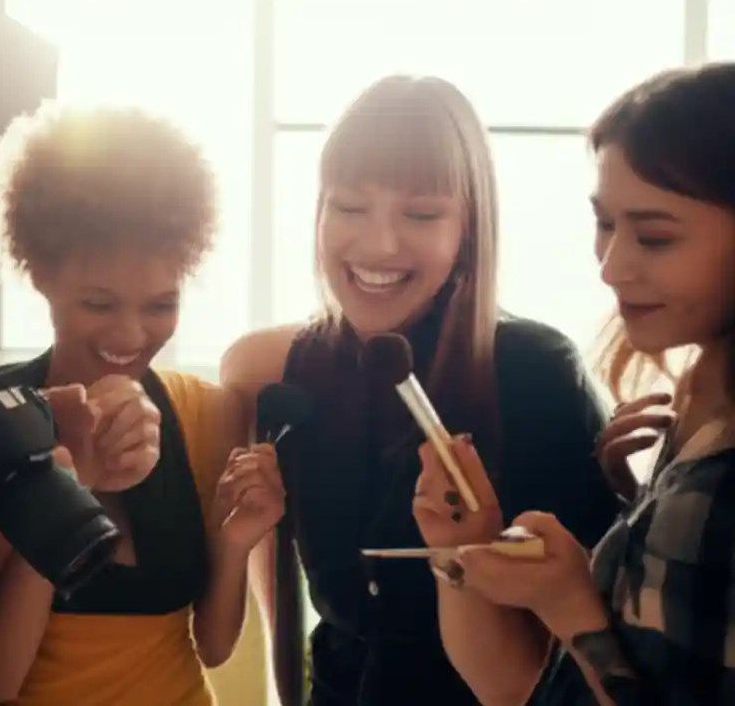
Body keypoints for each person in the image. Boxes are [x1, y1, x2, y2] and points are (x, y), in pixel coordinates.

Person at [220, 75, 622, 704]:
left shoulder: (536, 373)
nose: (378, 244)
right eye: (349, 207)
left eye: (421, 214)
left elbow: (575, 655)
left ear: (470, 227)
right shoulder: (284, 371)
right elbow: (284, 589)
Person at [415, 62, 735, 705]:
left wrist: (568, 601)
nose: (612, 268)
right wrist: (637, 513)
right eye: (606, 225)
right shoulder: (699, 408)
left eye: (655, 236)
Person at [0, 101, 281, 705]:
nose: (131, 337)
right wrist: (64, 489)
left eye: (160, 306)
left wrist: (237, 544)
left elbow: (212, 645)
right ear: (39, 273)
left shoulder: (206, 415)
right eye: (99, 305)